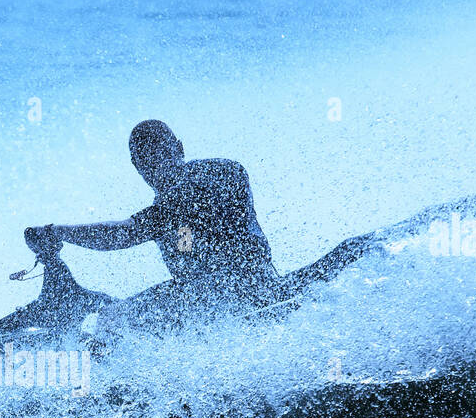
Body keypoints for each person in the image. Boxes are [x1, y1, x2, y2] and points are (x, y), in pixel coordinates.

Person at [25, 120, 283, 331]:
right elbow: (180, 236)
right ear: (136, 167)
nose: (156, 168)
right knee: (110, 311)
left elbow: (122, 234)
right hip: (207, 295)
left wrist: (57, 232)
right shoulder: (169, 212)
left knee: (112, 320)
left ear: (179, 149)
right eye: (146, 162)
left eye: (161, 155)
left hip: (239, 288)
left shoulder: (222, 172)